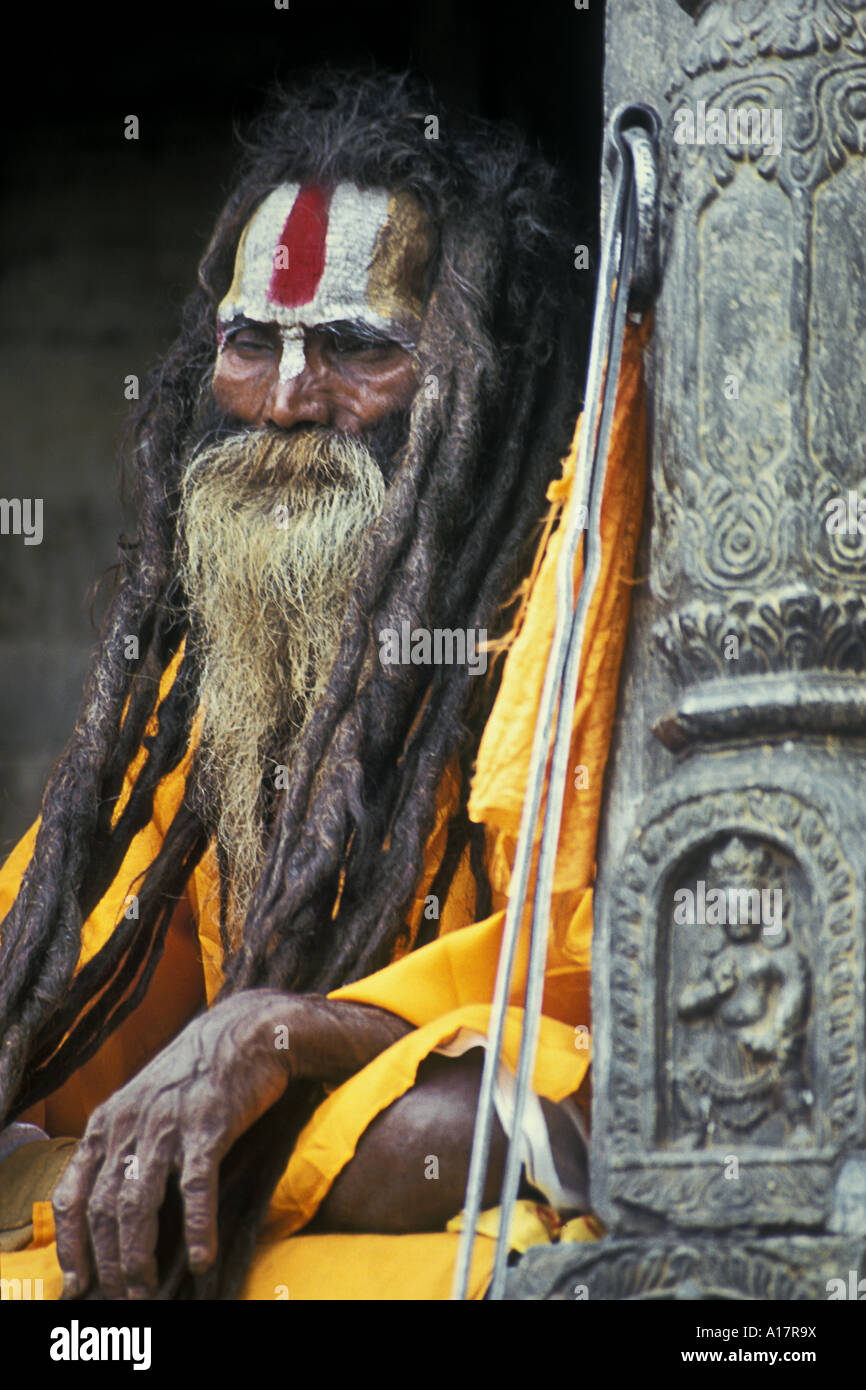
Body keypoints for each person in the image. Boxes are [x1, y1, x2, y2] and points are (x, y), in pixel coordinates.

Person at [0, 69, 648, 1300]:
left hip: (487, 1143)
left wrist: (281, 1038)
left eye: (355, 346)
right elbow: (54, 972)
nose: (287, 400)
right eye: (254, 342)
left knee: (438, 1139)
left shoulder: (560, 608)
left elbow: (580, 1023)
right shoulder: (216, 680)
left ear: (478, 381)